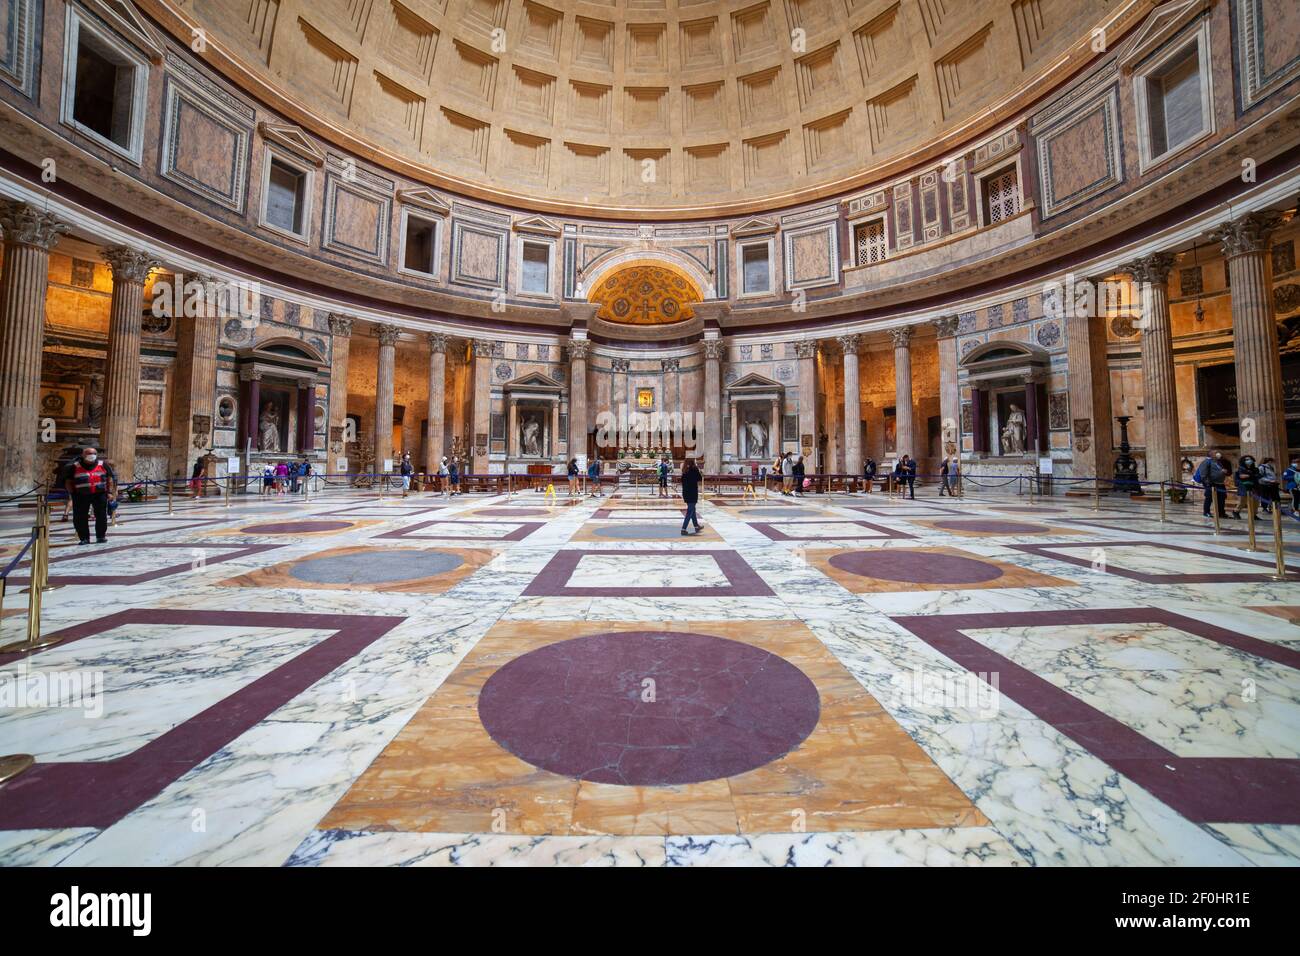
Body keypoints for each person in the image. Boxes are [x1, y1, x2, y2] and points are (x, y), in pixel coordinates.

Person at [64, 446, 116, 545]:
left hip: (99, 494)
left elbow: (109, 479)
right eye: (88, 454)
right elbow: (68, 481)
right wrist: (73, 493)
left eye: (94, 454)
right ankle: (84, 538)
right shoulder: (75, 466)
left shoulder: (103, 465)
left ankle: (101, 536)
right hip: (81, 495)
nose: (91, 456)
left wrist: (109, 492)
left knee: (101, 516)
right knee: (80, 517)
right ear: (83, 455)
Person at [1194, 451, 1229, 519]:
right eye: (1215, 452)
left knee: (1222, 499)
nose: (1217, 453)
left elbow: (1218, 471)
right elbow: (1203, 474)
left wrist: (1223, 472)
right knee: (1209, 498)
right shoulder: (1206, 462)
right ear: (1210, 454)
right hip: (1211, 484)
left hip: (1220, 483)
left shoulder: (1217, 462)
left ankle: (1221, 513)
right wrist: (1208, 483)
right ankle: (1206, 512)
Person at [680, 457, 703, 535]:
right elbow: (699, 478)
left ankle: (696, 526)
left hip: (686, 493)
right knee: (690, 511)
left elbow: (682, 481)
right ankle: (683, 528)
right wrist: (699, 471)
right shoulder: (694, 470)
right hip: (692, 493)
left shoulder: (684, 471)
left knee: (692, 509)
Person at [1232, 455, 1259, 520]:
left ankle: (1254, 515)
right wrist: (1251, 475)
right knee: (1242, 502)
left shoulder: (1255, 469)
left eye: (1250, 459)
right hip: (1243, 487)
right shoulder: (1241, 468)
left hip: (1253, 487)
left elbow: (1257, 476)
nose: (1249, 461)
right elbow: (1241, 476)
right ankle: (1236, 512)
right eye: (1246, 459)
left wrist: (1249, 475)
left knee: (1256, 502)